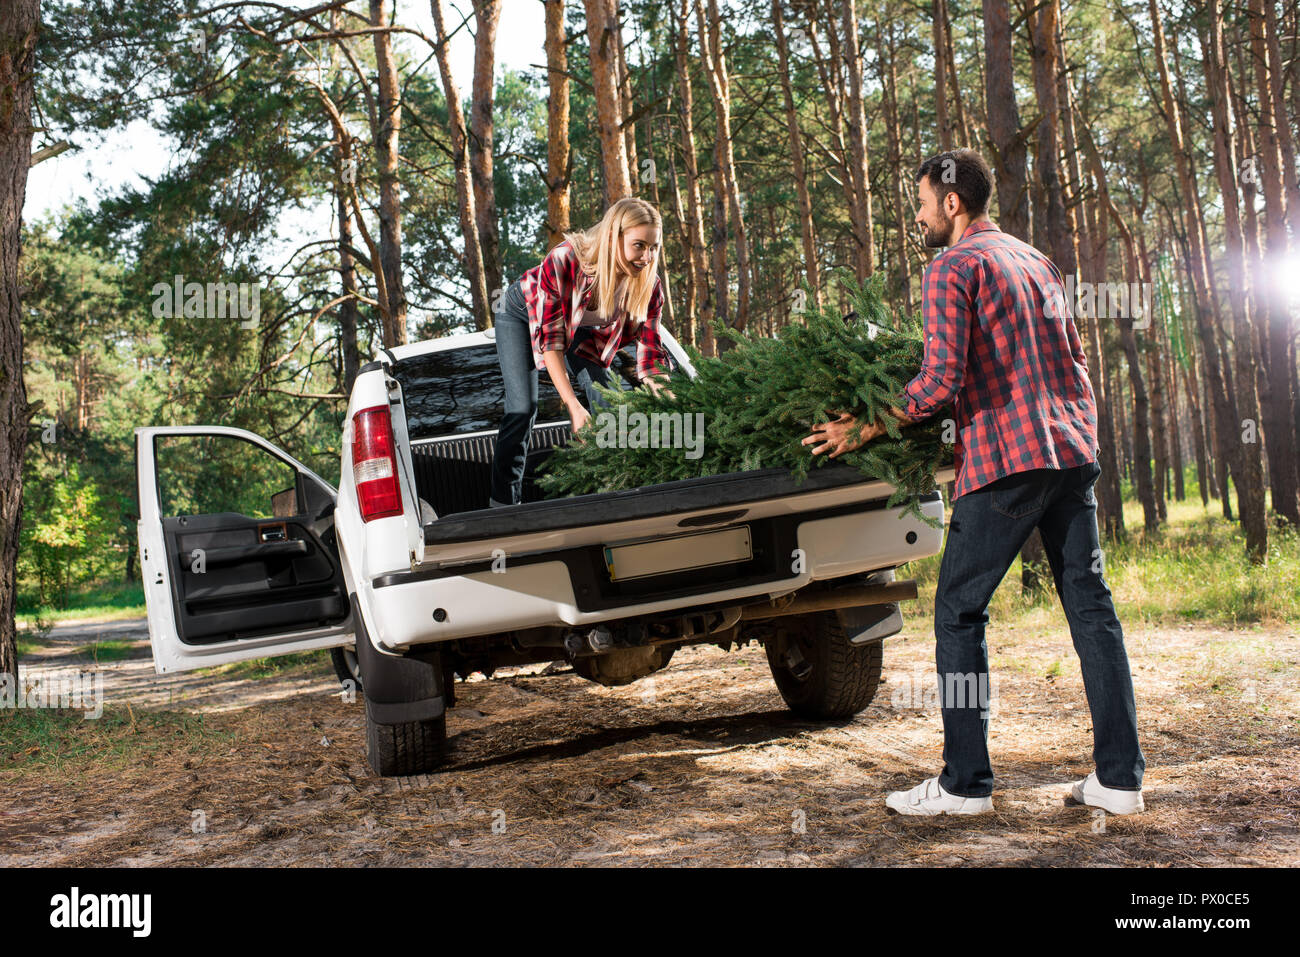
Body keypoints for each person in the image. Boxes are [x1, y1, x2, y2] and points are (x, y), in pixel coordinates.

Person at [802, 148, 1145, 816]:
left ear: (951, 202)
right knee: (1093, 611)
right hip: (1071, 453)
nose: (919, 215)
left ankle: (965, 784)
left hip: (1008, 461)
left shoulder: (952, 267)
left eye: (922, 202)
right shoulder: (1035, 260)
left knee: (958, 612)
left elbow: (938, 381)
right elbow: (1075, 359)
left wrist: (863, 426)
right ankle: (1120, 779)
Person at [489, 197, 672, 508]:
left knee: (607, 397)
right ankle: (502, 506)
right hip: (520, 312)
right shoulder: (565, 260)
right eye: (639, 246)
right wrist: (573, 406)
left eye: (653, 247)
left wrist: (670, 400)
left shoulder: (648, 286)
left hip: (576, 326)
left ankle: (616, 492)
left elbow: (651, 358)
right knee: (522, 409)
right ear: (613, 237)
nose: (647, 257)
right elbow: (552, 343)